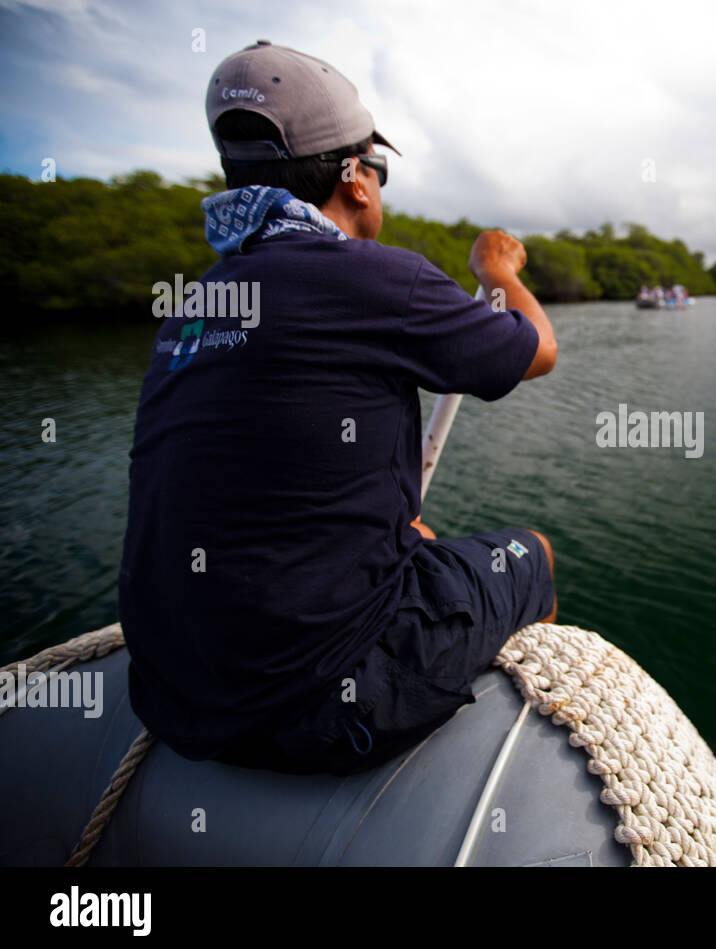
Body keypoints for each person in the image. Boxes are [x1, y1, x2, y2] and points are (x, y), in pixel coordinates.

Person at [118, 41, 558, 775]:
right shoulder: (379, 278)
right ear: (355, 179)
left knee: (417, 532)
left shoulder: (196, 304)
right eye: (376, 168)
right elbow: (536, 351)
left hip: (170, 695)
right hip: (316, 704)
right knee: (532, 553)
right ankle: (519, 760)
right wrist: (496, 271)